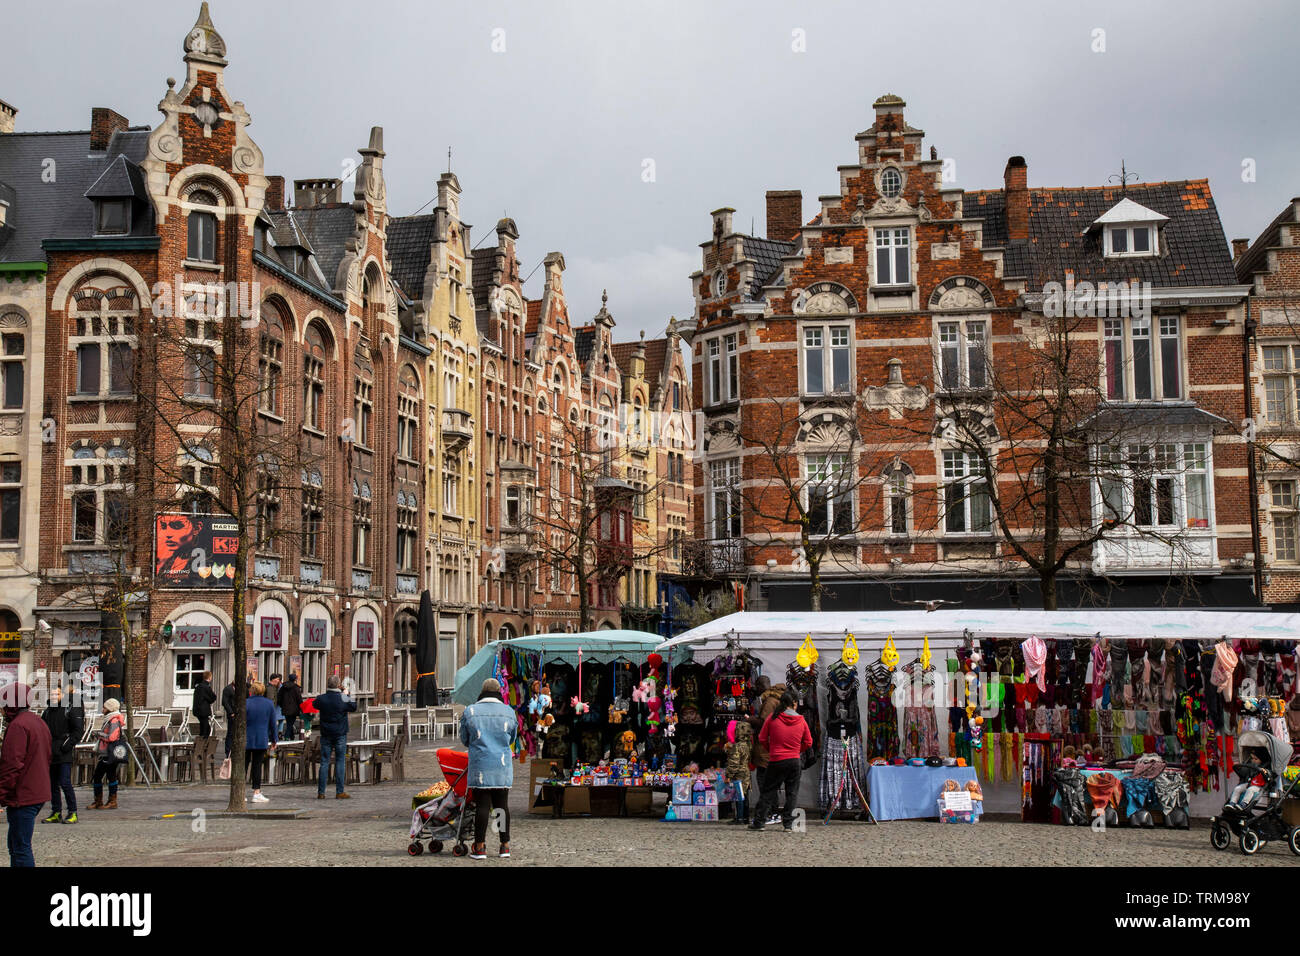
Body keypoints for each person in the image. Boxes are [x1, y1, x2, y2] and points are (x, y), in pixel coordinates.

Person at [459, 678, 518, 860]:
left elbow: (465, 739)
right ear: (499, 692)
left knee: (482, 806)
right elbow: (512, 738)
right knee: (501, 806)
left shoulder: (471, 711)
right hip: (501, 765)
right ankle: (504, 845)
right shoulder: (509, 712)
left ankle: (480, 846)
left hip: (481, 765)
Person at [0, 683, 53, 866]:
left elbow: (12, 764)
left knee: (20, 847)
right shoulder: (37, 721)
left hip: (24, 794)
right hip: (37, 791)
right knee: (17, 844)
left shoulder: (18, 726)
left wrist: (2, 794)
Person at [750, 691, 812, 832]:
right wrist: (797, 750)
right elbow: (808, 742)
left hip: (776, 760)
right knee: (792, 793)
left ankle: (759, 822)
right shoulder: (801, 720)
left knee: (768, 791)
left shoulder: (773, 718)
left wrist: (772, 749)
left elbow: (762, 738)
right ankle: (788, 825)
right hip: (794, 761)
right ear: (794, 703)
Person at [40, 686, 82, 825]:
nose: (53, 696)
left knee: (65, 782)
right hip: (51, 752)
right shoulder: (47, 712)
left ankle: (72, 812)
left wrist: (67, 745)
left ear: (61, 695)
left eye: (56, 694)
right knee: (52, 784)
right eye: (51, 694)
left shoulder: (68, 709)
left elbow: (77, 730)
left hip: (63, 751)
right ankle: (56, 812)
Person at [313, 675, 356, 799]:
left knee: (324, 762)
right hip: (340, 733)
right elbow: (353, 706)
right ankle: (339, 791)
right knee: (340, 761)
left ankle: (321, 792)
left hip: (326, 733)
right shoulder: (343, 698)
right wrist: (346, 693)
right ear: (338, 685)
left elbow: (315, 705)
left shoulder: (322, 699)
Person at [748, 678, 783, 824]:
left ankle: (771, 813)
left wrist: (749, 719)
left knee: (765, 781)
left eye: (756, 686)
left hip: (766, 748)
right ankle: (771, 812)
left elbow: (764, 723)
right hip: (772, 746)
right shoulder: (777, 699)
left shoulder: (769, 701)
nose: (755, 689)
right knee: (769, 781)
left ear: (762, 686)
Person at [88, 699, 127, 810]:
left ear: (109, 709)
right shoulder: (110, 719)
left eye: (104, 708)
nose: (102, 710)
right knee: (109, 775)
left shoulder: (113, 720)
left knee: (99, 776)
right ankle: (106, 800)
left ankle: (105, 801)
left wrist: (98, 734)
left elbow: (111, 737)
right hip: (107, 752)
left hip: (109, 753)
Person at [244, 682, 276, 804]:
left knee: (244, 766)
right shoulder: (268, 704)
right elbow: (273, 723)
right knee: (257, 765)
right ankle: (256, 792)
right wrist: (274, 739)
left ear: (251, 691)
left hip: (246, 738)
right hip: (261, 738)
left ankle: (241, 792)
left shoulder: (246, 703)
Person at [277, 673, 303, 741]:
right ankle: (287, 736)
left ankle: (292, 736)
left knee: (289, 722)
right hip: (294, 709)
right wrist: (301, 708)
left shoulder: (283, 687)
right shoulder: (296, 688)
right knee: (290, 723)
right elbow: (299, 699)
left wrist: (282, 705)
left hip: (285, 708)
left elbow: (279, 698)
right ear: (295, 679)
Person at [192, 671, 217, 739]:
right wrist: (210, 700)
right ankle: (202, 745)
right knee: (206, 729)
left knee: (204, 727)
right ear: (209, 677)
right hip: (203, 711)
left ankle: (201, 744)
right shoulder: (206, 687)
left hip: (197, 710)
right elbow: (213, 697)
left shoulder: (198, 687)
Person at [221, 678, 238, 756]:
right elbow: (225, 702)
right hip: (232, 714)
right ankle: (228, 752)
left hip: (239, 714)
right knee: (230, 733)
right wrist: (231, 712)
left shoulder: (242, 688)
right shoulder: (228, 689)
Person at [266, 674, 284, 741]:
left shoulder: (273, 687)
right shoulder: (271, 688)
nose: (278, 681)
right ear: (273, 680)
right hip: (271, 709)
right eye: (277, 679)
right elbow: (270, 699)